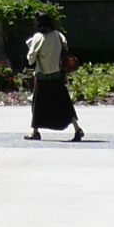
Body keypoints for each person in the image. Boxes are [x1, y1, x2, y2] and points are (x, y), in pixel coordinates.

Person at [25, 12, 84, 141]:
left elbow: (30, 59)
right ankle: (77, 129)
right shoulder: (59, 35)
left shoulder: (38, 37)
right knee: (65, 104)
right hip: (57, 75)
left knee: (37, 105)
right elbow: (65, 49)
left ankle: (35, 132)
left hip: (42, 77)